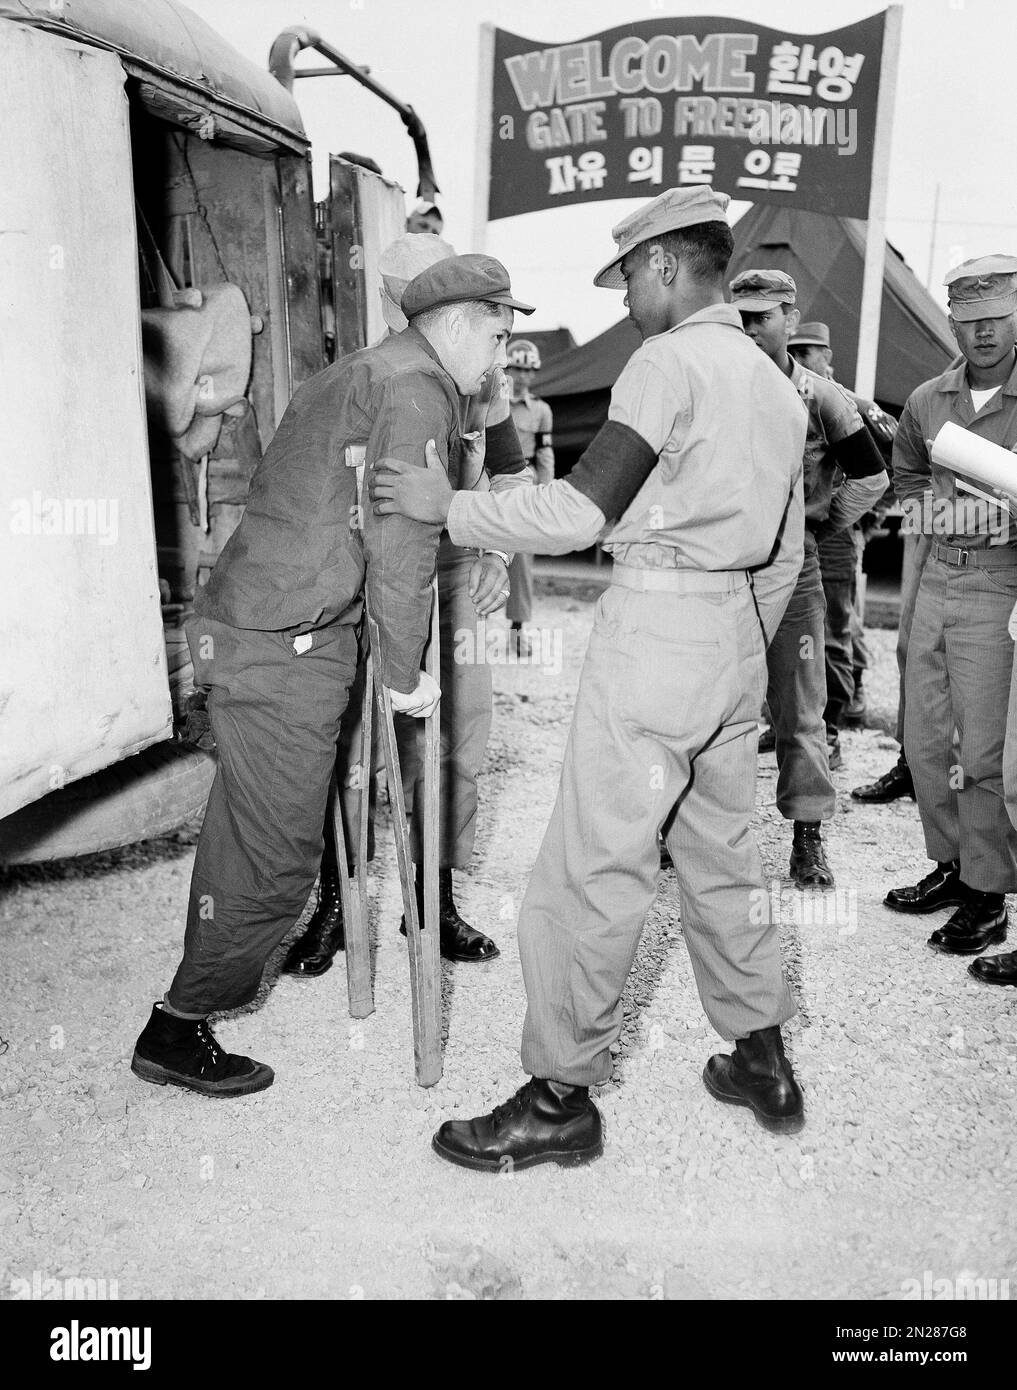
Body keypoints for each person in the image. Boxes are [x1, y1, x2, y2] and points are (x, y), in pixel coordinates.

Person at [371, 185, 811, 1169]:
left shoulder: (665, 363)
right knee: (728, 856)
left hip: (657, 632)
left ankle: (560, 1098)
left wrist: (456, 509)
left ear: (662, 267)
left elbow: (579, 512)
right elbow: (785, 552)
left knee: (591, 868)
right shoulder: (774, 379)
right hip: (736, 636)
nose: (627, 305)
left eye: (629, 282)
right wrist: (733, 645)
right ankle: (763, 1055)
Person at [130, 254, 534, 1097]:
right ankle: (177, 1028)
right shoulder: (416, 384)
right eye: (497, 333)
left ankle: (188, 1010)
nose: (500, 355)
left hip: (282, 627)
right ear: (457, 321)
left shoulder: (364, 369)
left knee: (254, 829)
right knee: (276, 856)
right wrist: (402, 675)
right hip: (286, 640)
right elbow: (400, 544)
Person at [282, 234, 529, 975]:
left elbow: (513, 475)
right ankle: (336, 902)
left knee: (458, 743)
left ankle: (434, 900)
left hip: (453, 574)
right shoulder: (369, 375)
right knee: (351, 743)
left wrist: (495, 552)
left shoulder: (482, 381)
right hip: (369, 578)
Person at [731, 273, 888, 888]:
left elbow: (872, 477)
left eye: (762, 317)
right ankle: (692, 831)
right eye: (740, 316)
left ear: (789, 322)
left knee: (800, 710)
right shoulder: (723, 388)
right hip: (727, 576)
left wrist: (819, 528)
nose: (749, 329)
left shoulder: (821, 397)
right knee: (714, 705)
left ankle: (807, 836)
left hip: (795, 578)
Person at [884, 255, 1017, 959]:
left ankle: (988, 893)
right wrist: (930, 509)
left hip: (999, 582)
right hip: (936, 575)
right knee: (926, 737)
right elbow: (904, 472)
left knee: (983, 747)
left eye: (994, 319)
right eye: (968, 323)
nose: (982, 335)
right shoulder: (927, 399)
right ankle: (950, 864)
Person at [787, 322, 898, 767]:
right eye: (793, 348)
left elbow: (897, 455)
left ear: (826, 356)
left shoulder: (848, 401)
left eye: (805, 350)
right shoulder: (771, 395)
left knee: (831, 631)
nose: (795, 356)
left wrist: (863, 516)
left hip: (829, 534)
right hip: (780, 535)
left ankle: (829, 729)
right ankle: (786, 726)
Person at [504, 339, 555, 654]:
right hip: (491, 477)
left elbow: (545, 454)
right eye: (517, 369)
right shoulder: (491, 402)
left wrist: (546, 492)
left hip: (524, 482)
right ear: (507, 368)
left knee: (521, 558)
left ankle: (517, 629)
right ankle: (470, 627)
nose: (522, 377)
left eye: (528, 371)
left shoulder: (541, 410)